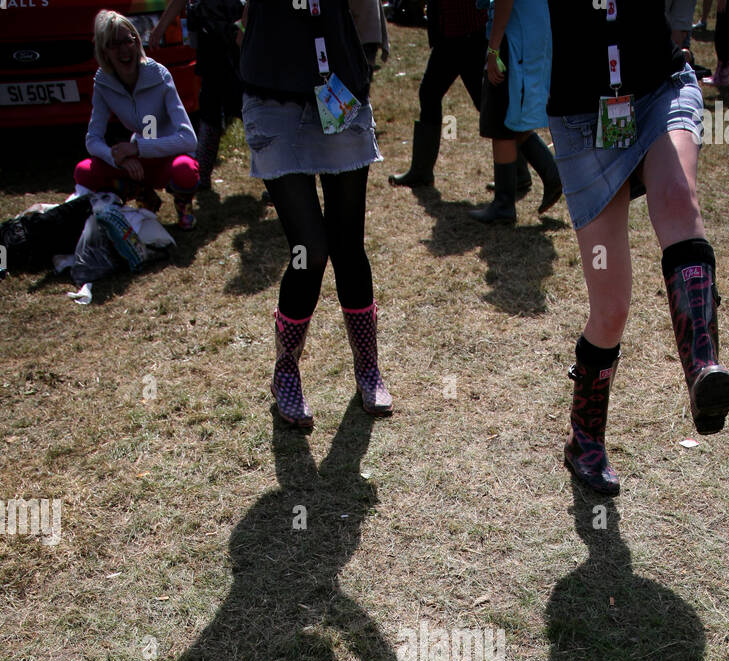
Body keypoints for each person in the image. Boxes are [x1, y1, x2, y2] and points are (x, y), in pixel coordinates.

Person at [547, 0, 729, 497]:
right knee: (610, 309)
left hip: (659, 87)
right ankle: (584, 439)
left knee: (678, 200)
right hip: (581, 116)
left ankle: (702, 368)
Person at [238, 0, 392, 425]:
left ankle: (368, 367)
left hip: (338, 88)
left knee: (348, 244)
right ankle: (286, 370)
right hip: (274, 95)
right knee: (309, 249)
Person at [74, 11, 199, 229]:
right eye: (113, 45)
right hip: (135, 161)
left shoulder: (159, 75)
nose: (123, 50)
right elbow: (92, 139)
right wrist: (118, 159)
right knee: (83, 171)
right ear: (104, 51)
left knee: (185, 169)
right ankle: (142, 194)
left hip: (165, 156)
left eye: (127, 41)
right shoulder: (103, 82)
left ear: (137, 41)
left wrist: (137, 148)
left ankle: (183, 207)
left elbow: (189, 139)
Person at [469, 0, 562, 223]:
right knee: (512, 119)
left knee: (500, 125)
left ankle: (504, 205)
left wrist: (493, 48)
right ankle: (551, 175)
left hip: (513, 41)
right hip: (527, 37)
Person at [389, 0, 488, 188]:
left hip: (467, 35)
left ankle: (525, 172)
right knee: (430, 94)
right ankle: (421, 171)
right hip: (453, 35)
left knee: (487, 103)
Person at [149, 0, 244, 193]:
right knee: (210, 108)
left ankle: (272, 173)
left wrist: (242, 28)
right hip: (209, 42)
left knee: (245, 108)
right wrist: (160, 29)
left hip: (234, 40)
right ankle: (201, 174)